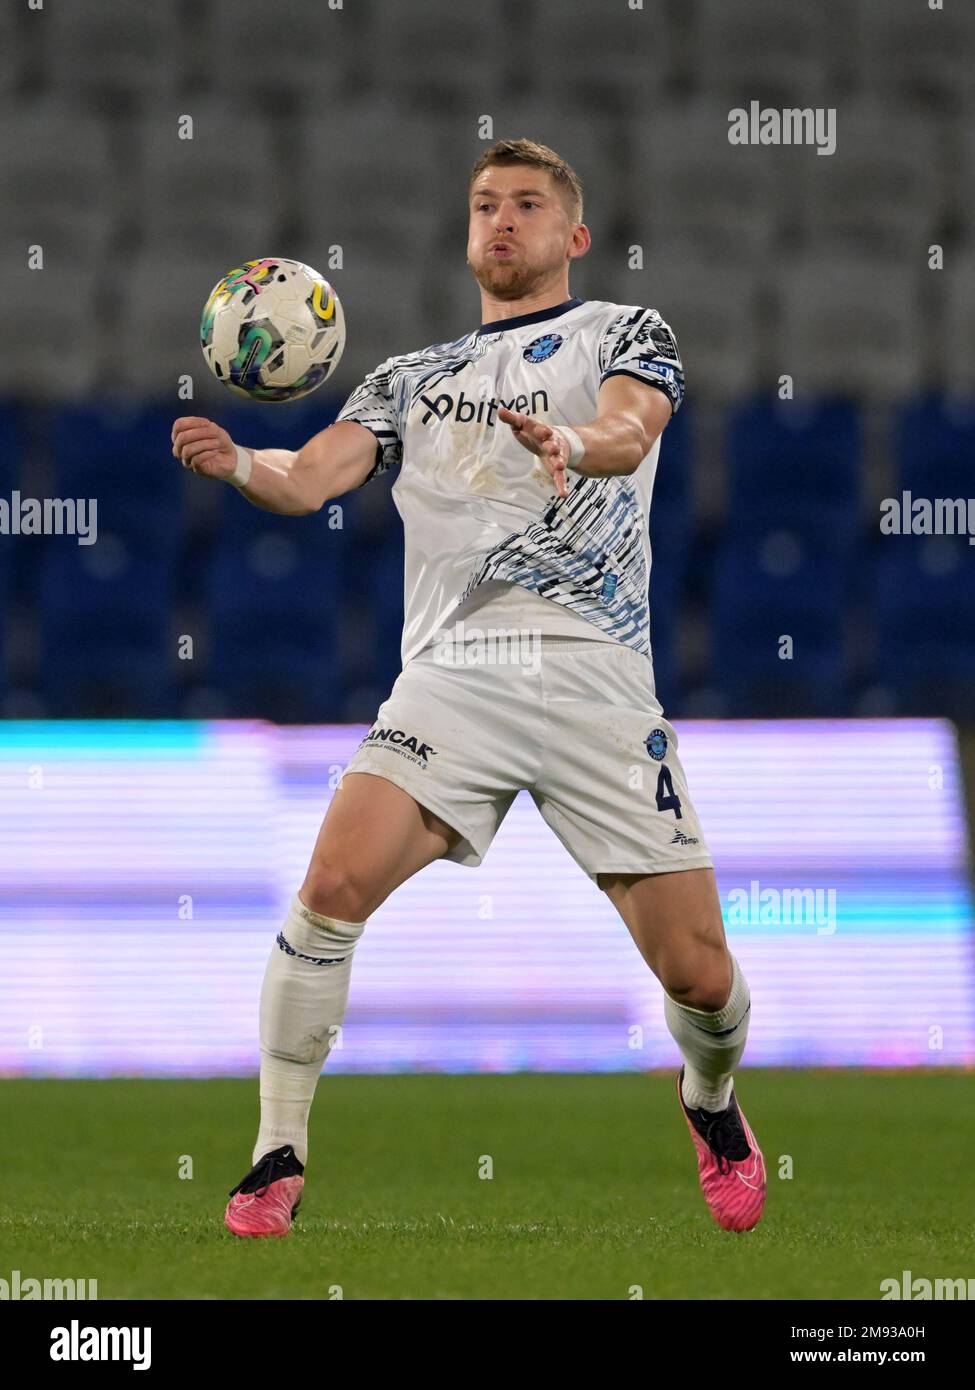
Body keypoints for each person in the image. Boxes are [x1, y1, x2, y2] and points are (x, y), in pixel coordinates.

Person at [171, 137, 765, 1240]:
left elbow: (631, 432)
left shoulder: (625, 332)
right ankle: (274, 1154)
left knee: (699, 972)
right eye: (486, 204)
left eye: (527, 205)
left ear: (573, 236)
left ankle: (712, 1099)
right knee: (332, 883)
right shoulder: (409, 379)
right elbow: (310, 475)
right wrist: (244, 464)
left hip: (594, 670)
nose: (502, 221)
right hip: (455, 676)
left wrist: (572, 441)